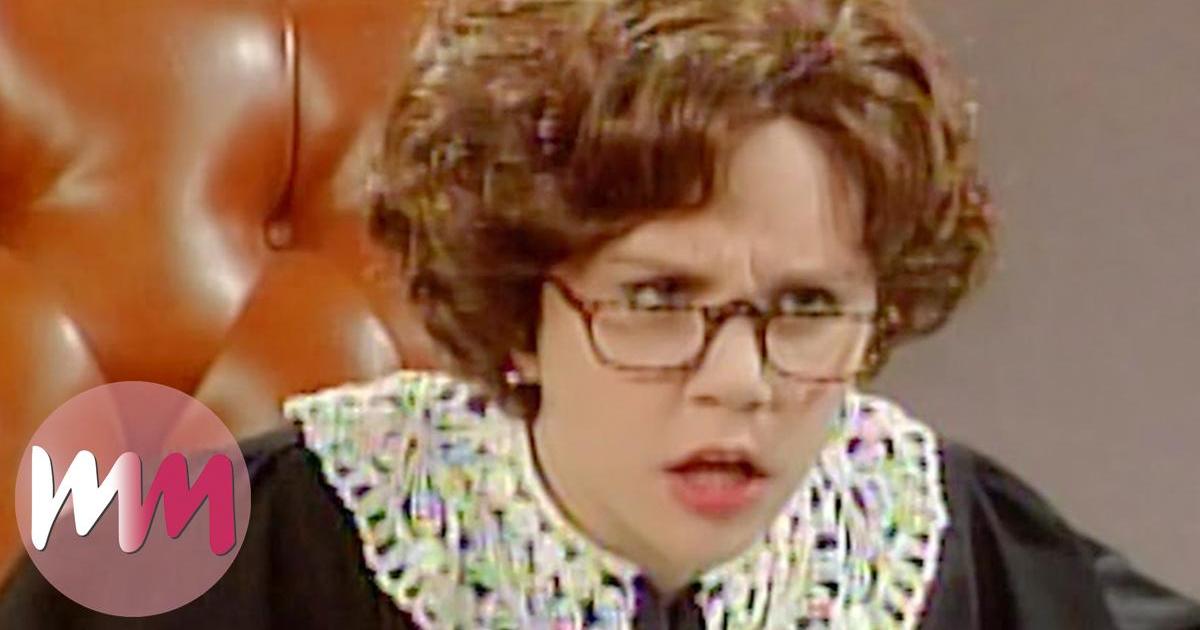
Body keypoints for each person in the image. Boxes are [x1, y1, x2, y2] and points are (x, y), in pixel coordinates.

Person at [3, 0, 1199, 628]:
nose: (741, 381)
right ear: (519, 314)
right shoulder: (252, 534)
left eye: (806, 307)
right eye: (659, 299)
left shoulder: (957, 549)